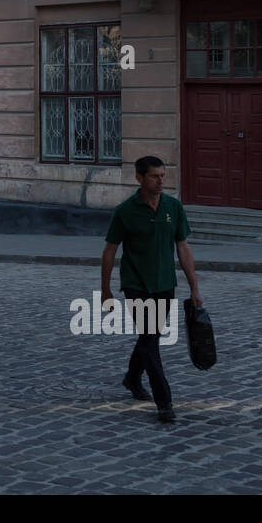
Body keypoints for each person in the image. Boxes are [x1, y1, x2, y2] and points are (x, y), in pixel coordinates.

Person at [100, 155, 202, 424]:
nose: (160, 181)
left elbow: (183, 247)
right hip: (135, 284)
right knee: (150, 338)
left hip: (165, 283)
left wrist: (194, 286)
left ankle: (132, 377)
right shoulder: (125, 211)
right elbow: (110, 250)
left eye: (162, 176)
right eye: (154, 176)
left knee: (150, 337)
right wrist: (106, 290)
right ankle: (164, 401)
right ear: (139, 178)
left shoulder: (174, 207)